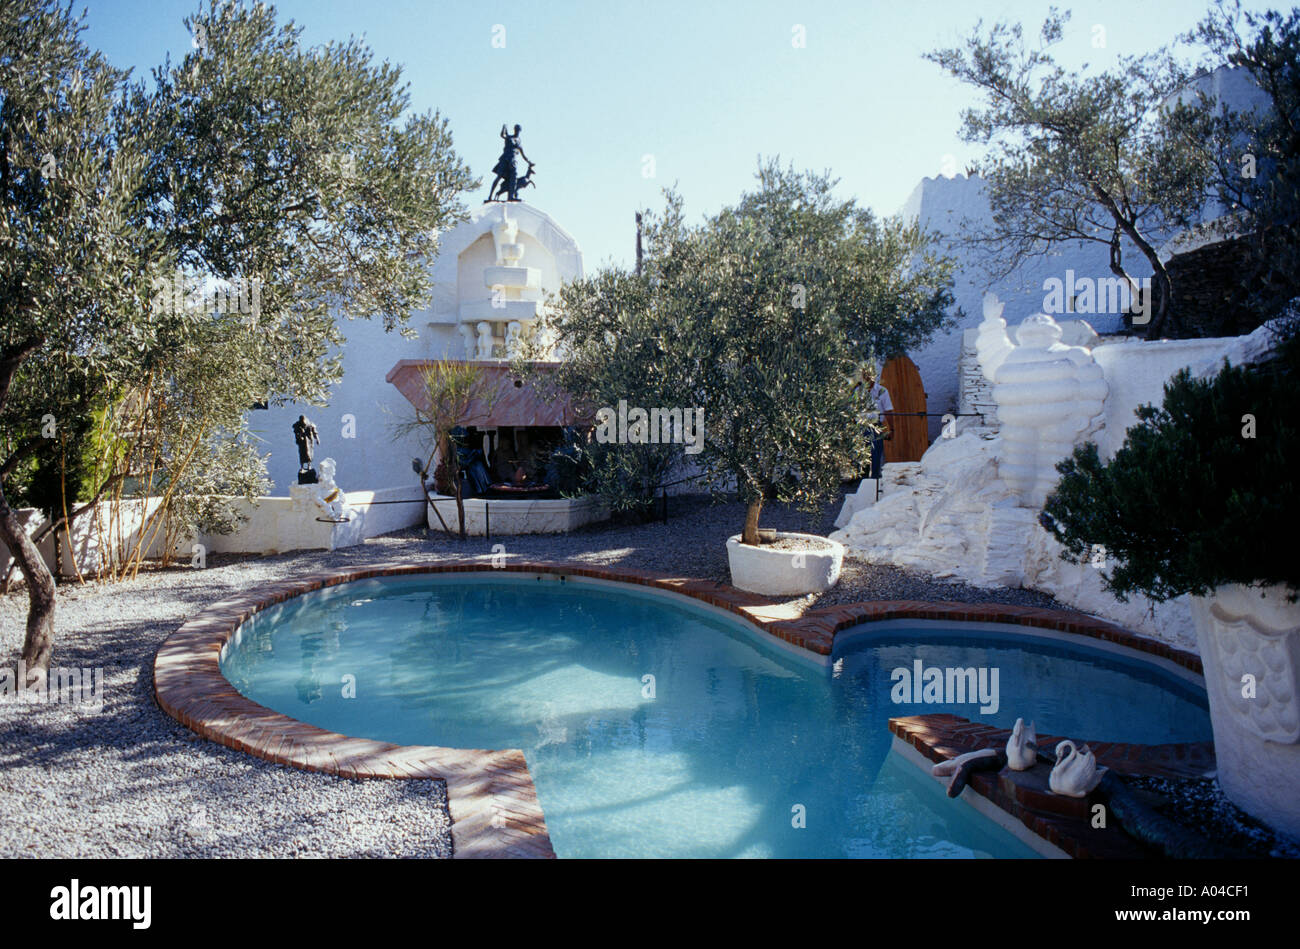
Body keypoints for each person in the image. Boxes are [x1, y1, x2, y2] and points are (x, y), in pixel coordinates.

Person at [855, 364, 894, 480]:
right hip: (861, 426)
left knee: (876, 455)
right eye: (864, 375)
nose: (867, 377)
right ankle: (862, 482)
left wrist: (892, 428)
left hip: (875, 426)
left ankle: (875, 482)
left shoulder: (882, 391)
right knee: (862, 456)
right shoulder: (857, 391)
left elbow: (888, 411)